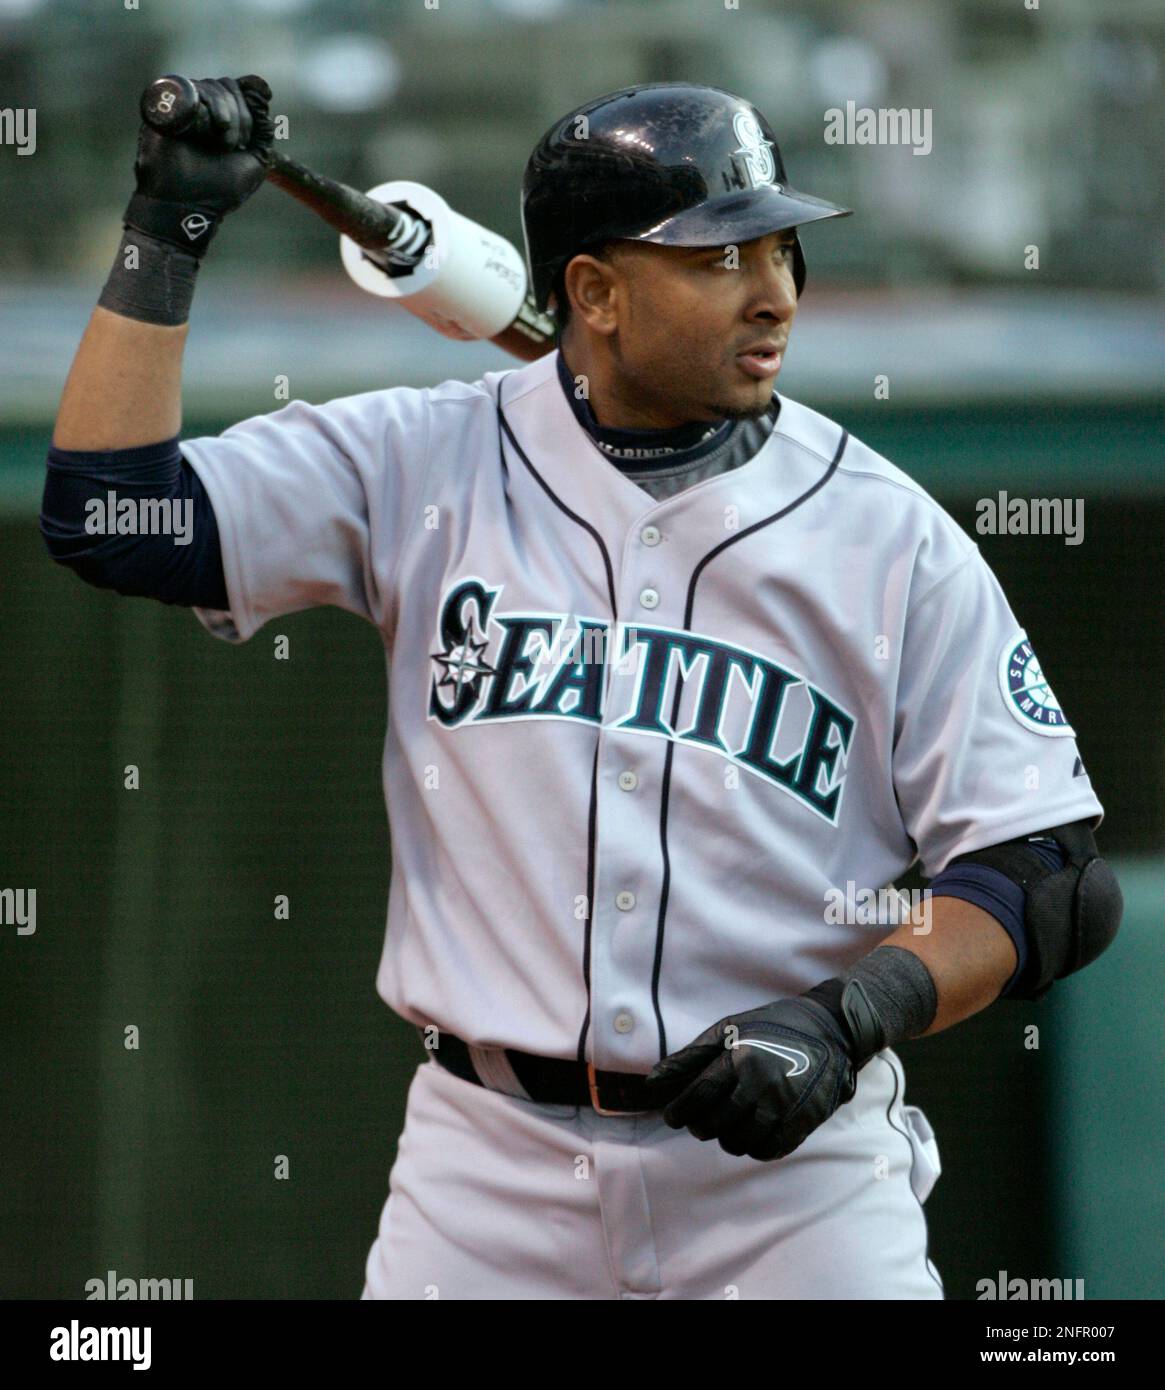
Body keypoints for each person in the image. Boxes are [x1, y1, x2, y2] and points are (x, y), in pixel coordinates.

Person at [42, 77, 1121, 1300]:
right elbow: (111, 520)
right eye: (720, 258)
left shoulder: (889, 536)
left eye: (781, 250)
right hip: (484, 1175)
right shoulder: (421, 458)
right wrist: (164, 236)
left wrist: (846, 1014)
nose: (775, 293)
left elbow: (1044, 876)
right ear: (594, 294)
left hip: (789, 1185)